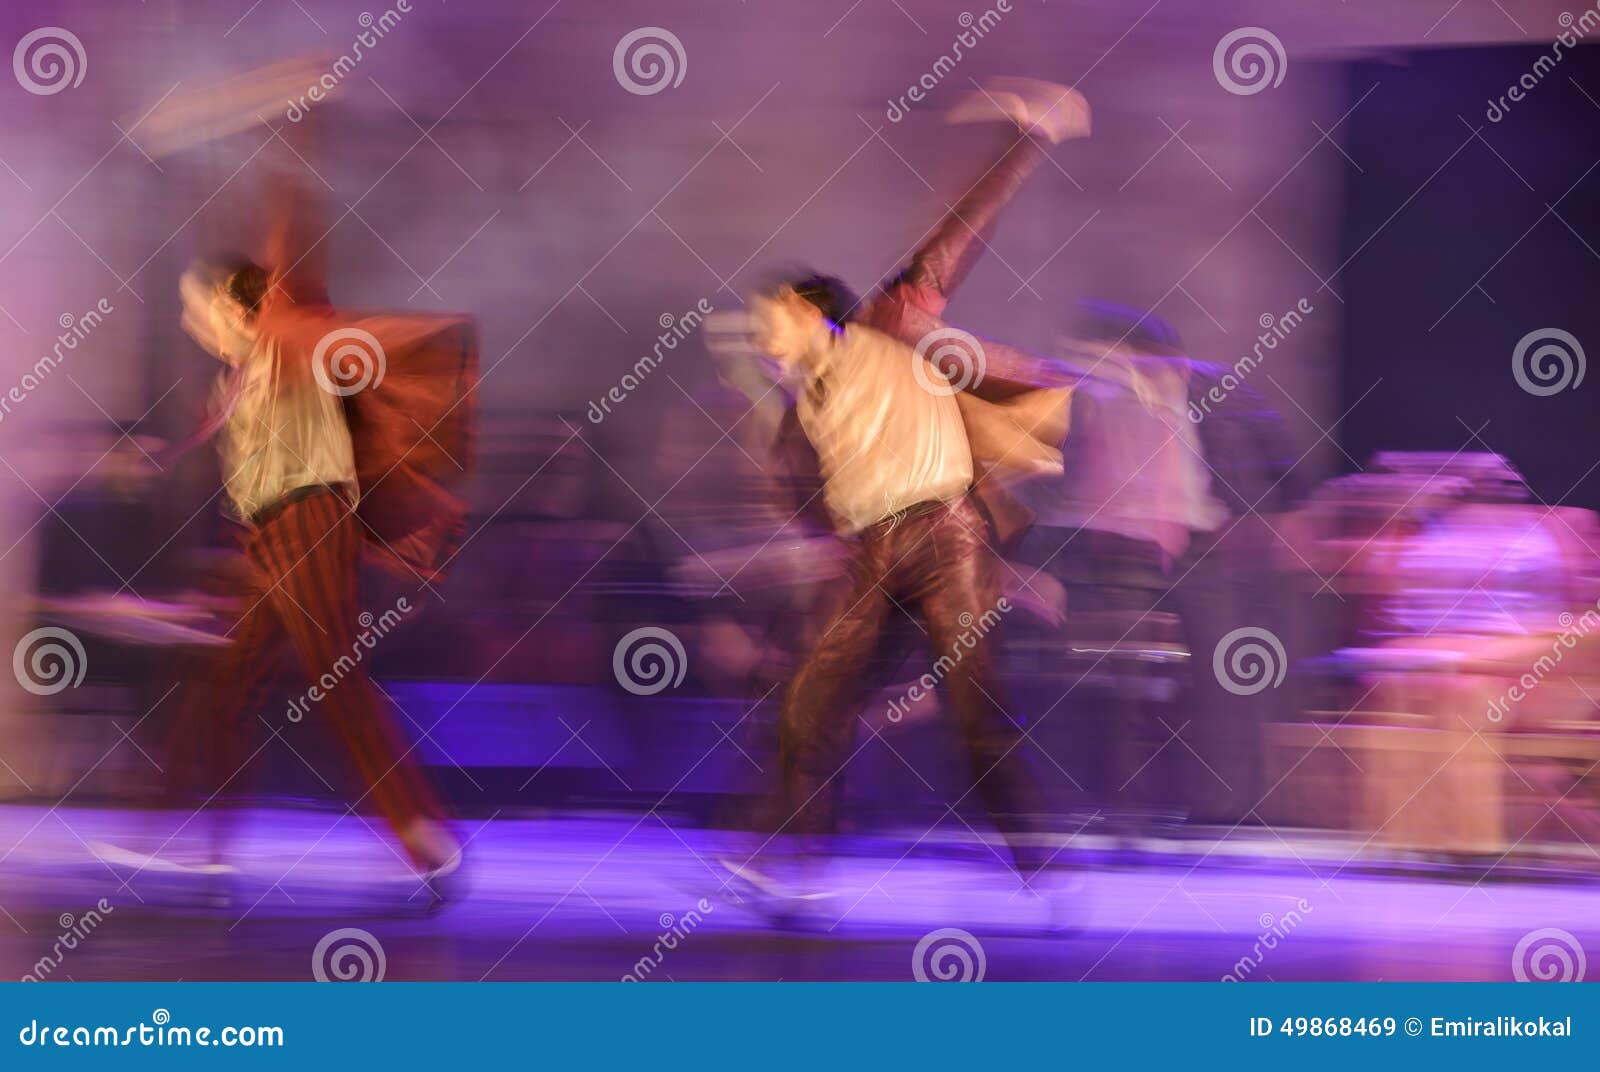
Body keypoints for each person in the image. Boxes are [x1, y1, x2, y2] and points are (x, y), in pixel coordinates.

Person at [722, 78, 1090, 927]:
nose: (761, 337)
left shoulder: (887, 322)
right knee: (812, 698)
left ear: (807, 310)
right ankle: (788, 867)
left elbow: (958, 236)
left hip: (944, 539)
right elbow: (805, 500)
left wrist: (1029, 138)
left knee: (975, 712)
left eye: (769, 320)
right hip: (873, 557)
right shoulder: (800, 410)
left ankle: (1045, 869)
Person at [96, 100, 477, 908]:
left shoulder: (285, 325)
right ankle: (199, 844)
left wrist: (296, 122)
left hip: (309, 523)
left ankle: (425, 841)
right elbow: (231, 452)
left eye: (195, 307)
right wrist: (155, 457)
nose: (189, 323)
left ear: (236, 301)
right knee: (219, 676)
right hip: (266, 538)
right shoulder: (234, 384)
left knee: (335, 679)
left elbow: (293, 220)